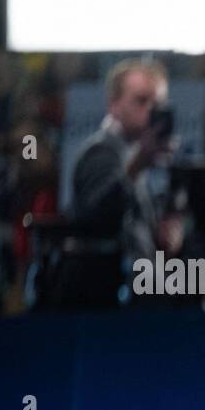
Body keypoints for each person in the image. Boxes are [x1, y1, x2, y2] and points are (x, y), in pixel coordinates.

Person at [71, 59, 183, 304]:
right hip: (112, 295)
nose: (151, 111)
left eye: (158, 104)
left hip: (145, 287)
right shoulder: (101, 153)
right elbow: (93, 218)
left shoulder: (142, 157)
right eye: (142, 101)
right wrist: (136, 167)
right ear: (114, 105)